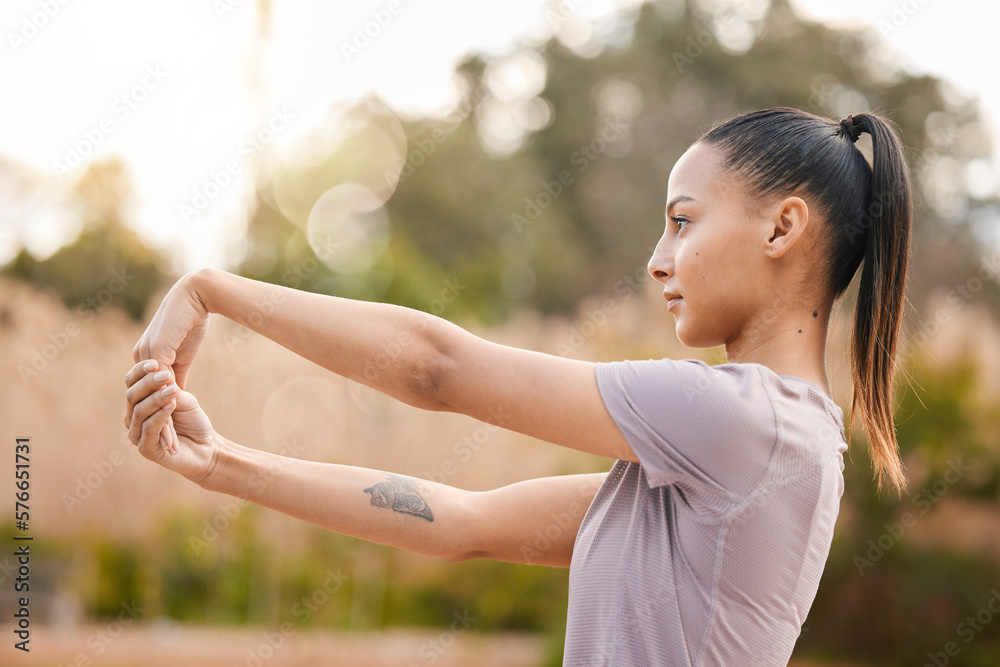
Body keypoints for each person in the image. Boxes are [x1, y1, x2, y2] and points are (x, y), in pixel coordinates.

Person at [124, 107, 912, 665]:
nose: (658, 258)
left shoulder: (746, 423)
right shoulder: (735, 452)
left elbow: (438, 368)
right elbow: (459, 522)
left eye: (682, 221)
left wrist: (213, 290)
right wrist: (219, 460)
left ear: (781, 228)